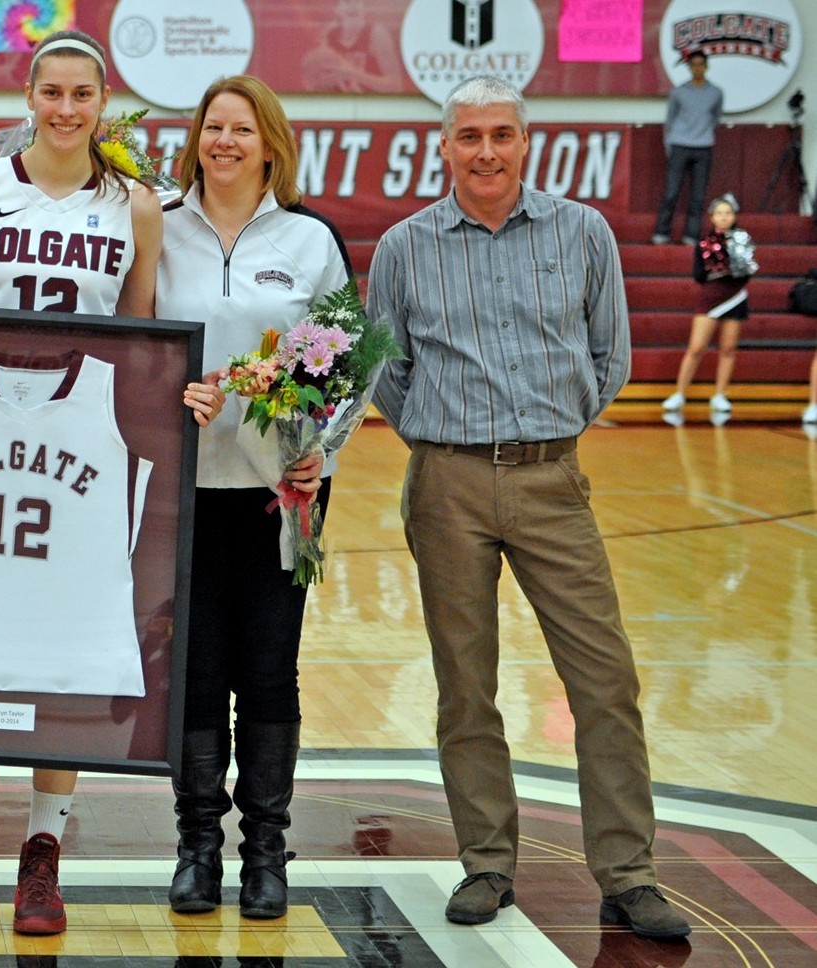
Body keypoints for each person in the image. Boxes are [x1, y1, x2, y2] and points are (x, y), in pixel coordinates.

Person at [365, 75, 692, 941]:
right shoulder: (404, 246)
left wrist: (543, 432)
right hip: (447, 482)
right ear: (444, 146)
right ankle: (486, 863)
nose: (485, 151)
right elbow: (385, 370)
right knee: (465, 684)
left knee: (604, 679)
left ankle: (627, 874)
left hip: (553, 480)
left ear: (524, 140)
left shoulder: (581, 232)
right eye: (468, 136)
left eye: (500, 135)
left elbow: (607, 356)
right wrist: (446, 441)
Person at [0, 29, 220, 936]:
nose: (64, 108)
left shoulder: (135, 206)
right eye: (50, 92)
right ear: (29, 93)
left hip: (81, 446)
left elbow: (140, 339)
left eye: (81, 94)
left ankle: (42, 854)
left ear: (100, 100)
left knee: (63, 653)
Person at [153, 75, 352, 920]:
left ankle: (265, 851)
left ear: (270, 142)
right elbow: (132, 348)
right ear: (195, 138)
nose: (224, 141)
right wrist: (169, 395)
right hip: (183, 489)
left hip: (282, 491)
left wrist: (320, 450)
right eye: (212, 127)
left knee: (269, 669)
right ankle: (197, 846)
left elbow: (350, 363)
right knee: (194, 672)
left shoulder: (310, 239)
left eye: (241, 128)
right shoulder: (156, 229)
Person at [662, 194, 754, 416]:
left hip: (735, 297)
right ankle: (679, 393)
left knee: (728, 348)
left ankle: (720, 395)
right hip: (711, 297)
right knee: (696, 348)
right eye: (719, 213)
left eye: (728, 213)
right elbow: (698, 275)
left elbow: (747, 272)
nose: (724, 217)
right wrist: (716, 264)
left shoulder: (743, 239)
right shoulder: (704, 242)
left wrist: (737, 265)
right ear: (712, 217)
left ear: (734, 216)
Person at [652, 50, 722, 245]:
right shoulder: (678, 92)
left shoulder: (716, 93)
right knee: (671, 192)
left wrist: (704, 135)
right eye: (694, 65)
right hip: (680, 145)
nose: (697, 68)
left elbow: (715, 119)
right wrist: (670, 145)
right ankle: (661, 233)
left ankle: (691, 236)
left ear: (706, 66)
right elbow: (670, 121)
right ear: (689, 67)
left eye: (701, 64)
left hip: (703, 147)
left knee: (698, 196)